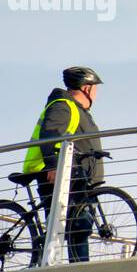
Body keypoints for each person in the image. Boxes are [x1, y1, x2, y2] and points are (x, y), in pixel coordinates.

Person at [22, 66, 107, 262]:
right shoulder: (63, 106)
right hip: (61, 177)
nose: (97, 93)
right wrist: (53, 166)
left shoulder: (79, 111)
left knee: (80, 227)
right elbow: (50, 134)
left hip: (80, 180)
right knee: (72, 226)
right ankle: (68, 270)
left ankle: (75, 268)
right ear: (87, 88)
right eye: (95, 88)